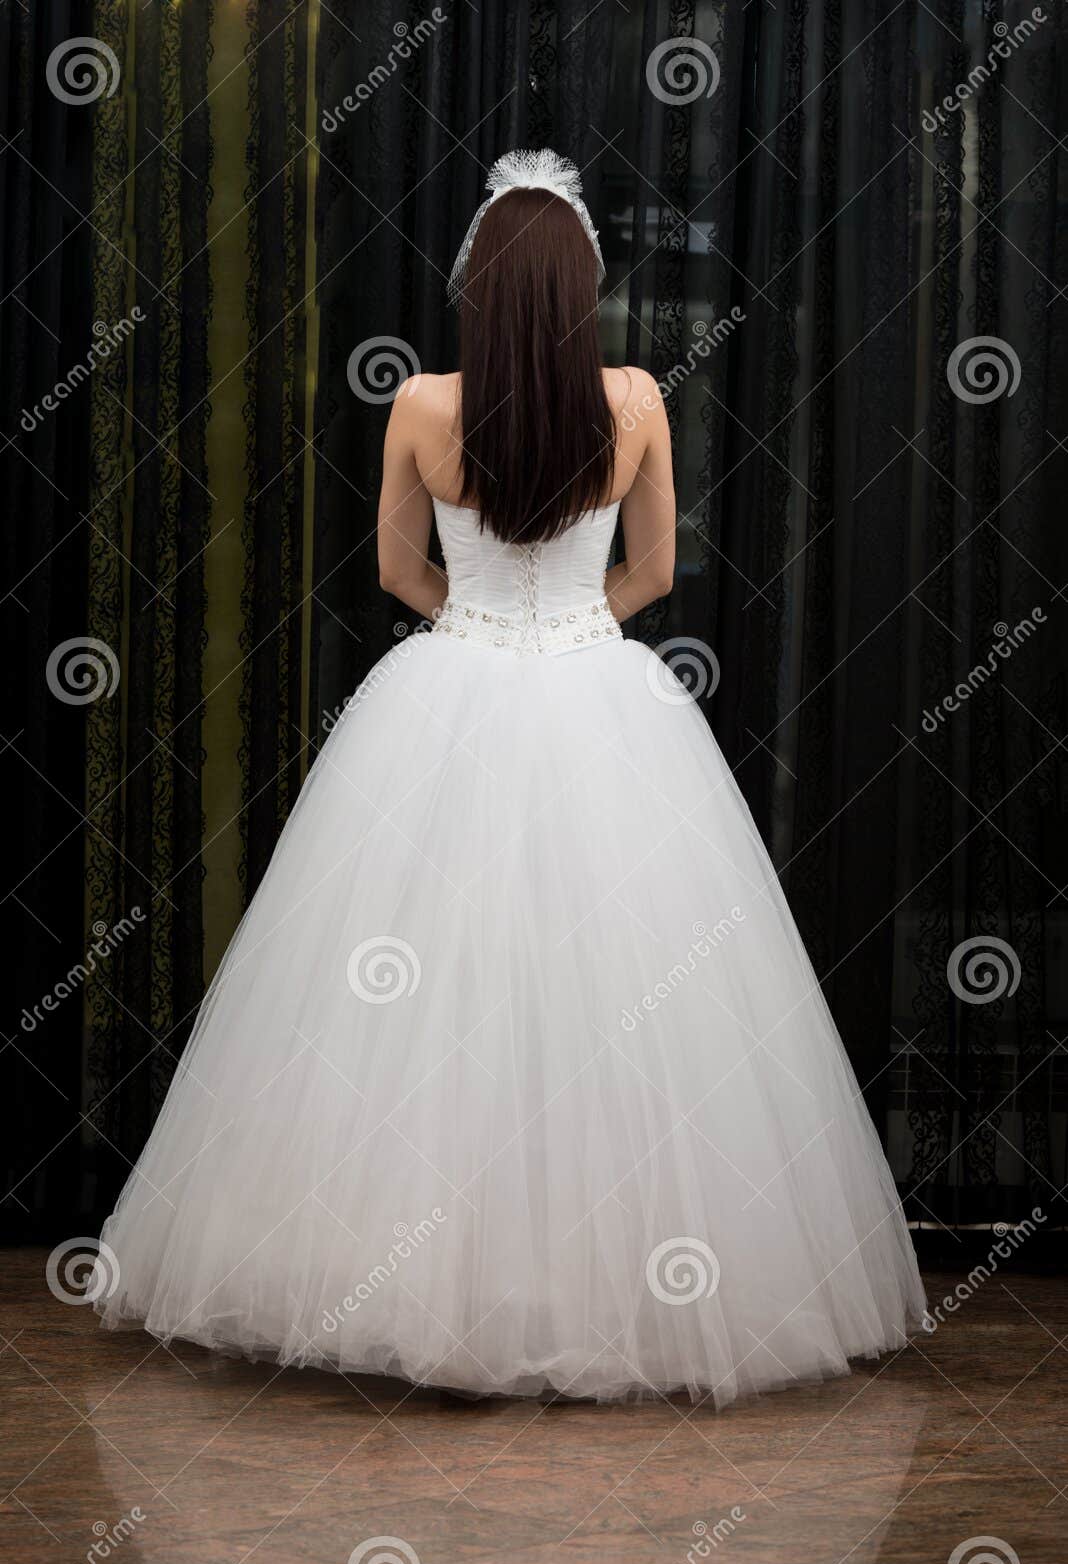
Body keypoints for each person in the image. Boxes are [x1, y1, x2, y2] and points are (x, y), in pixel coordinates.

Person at [96, 151, 925, 1405]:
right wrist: (571, 626)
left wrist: (475, 623)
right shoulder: (637, 398)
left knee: (413, 997)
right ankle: (619, 1292)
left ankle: (413, 1284)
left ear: (478, 283)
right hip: (606, 693)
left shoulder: (423, 403)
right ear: (582, 284)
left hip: (448, 690)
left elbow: (393, 571)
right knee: (624, 992)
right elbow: (654, 575)